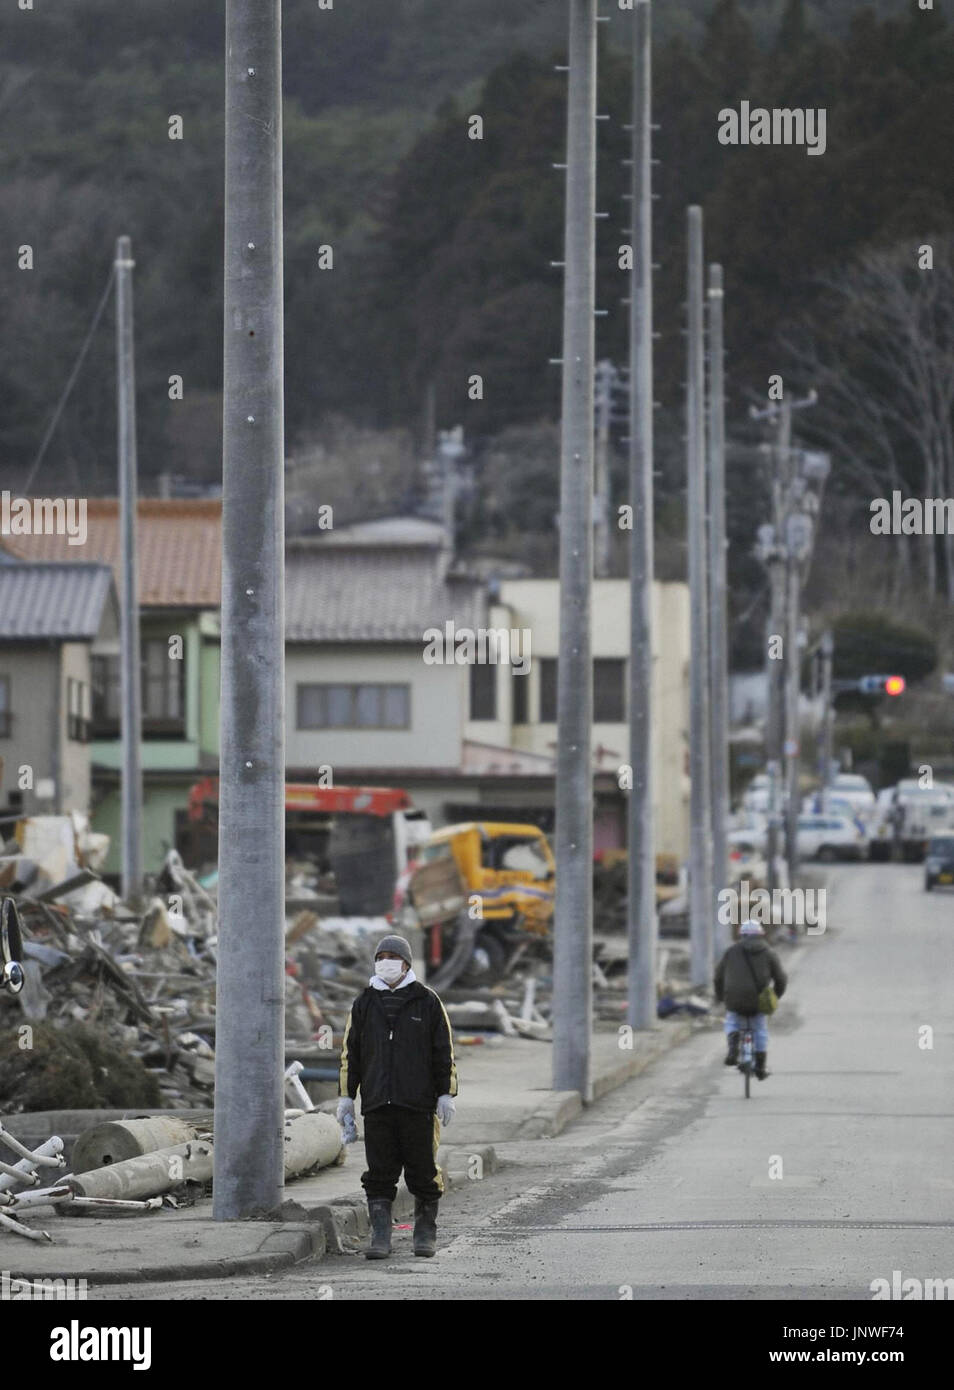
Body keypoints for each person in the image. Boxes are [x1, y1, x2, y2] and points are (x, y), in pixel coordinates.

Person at [337, 934, 458, 1259]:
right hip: (377, 1105)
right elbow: (352, 1053)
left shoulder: (427, 1001)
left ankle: (424, 1233)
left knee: (422, 1172)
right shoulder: (364, 1002)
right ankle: (380, 1237)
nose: (386, 962)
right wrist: (347, 1098)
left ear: (406, 963)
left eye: (392, 956)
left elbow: (443, 1050)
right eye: (381, 956)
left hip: (417, 1106)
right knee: (379, 1174)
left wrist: (446, 1092)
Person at [713, 919, 788, 1079]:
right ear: (761, 935)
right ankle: (760, 1067)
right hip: (758, 1002)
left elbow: (718, 977)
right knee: (760, 1030)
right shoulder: (769, 952)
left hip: (734, 1000)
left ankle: (733, 1048)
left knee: (732, 1021)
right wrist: (775, 996)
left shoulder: (731, 951)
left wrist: (721, 997)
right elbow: (781, 978)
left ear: (742, 935)